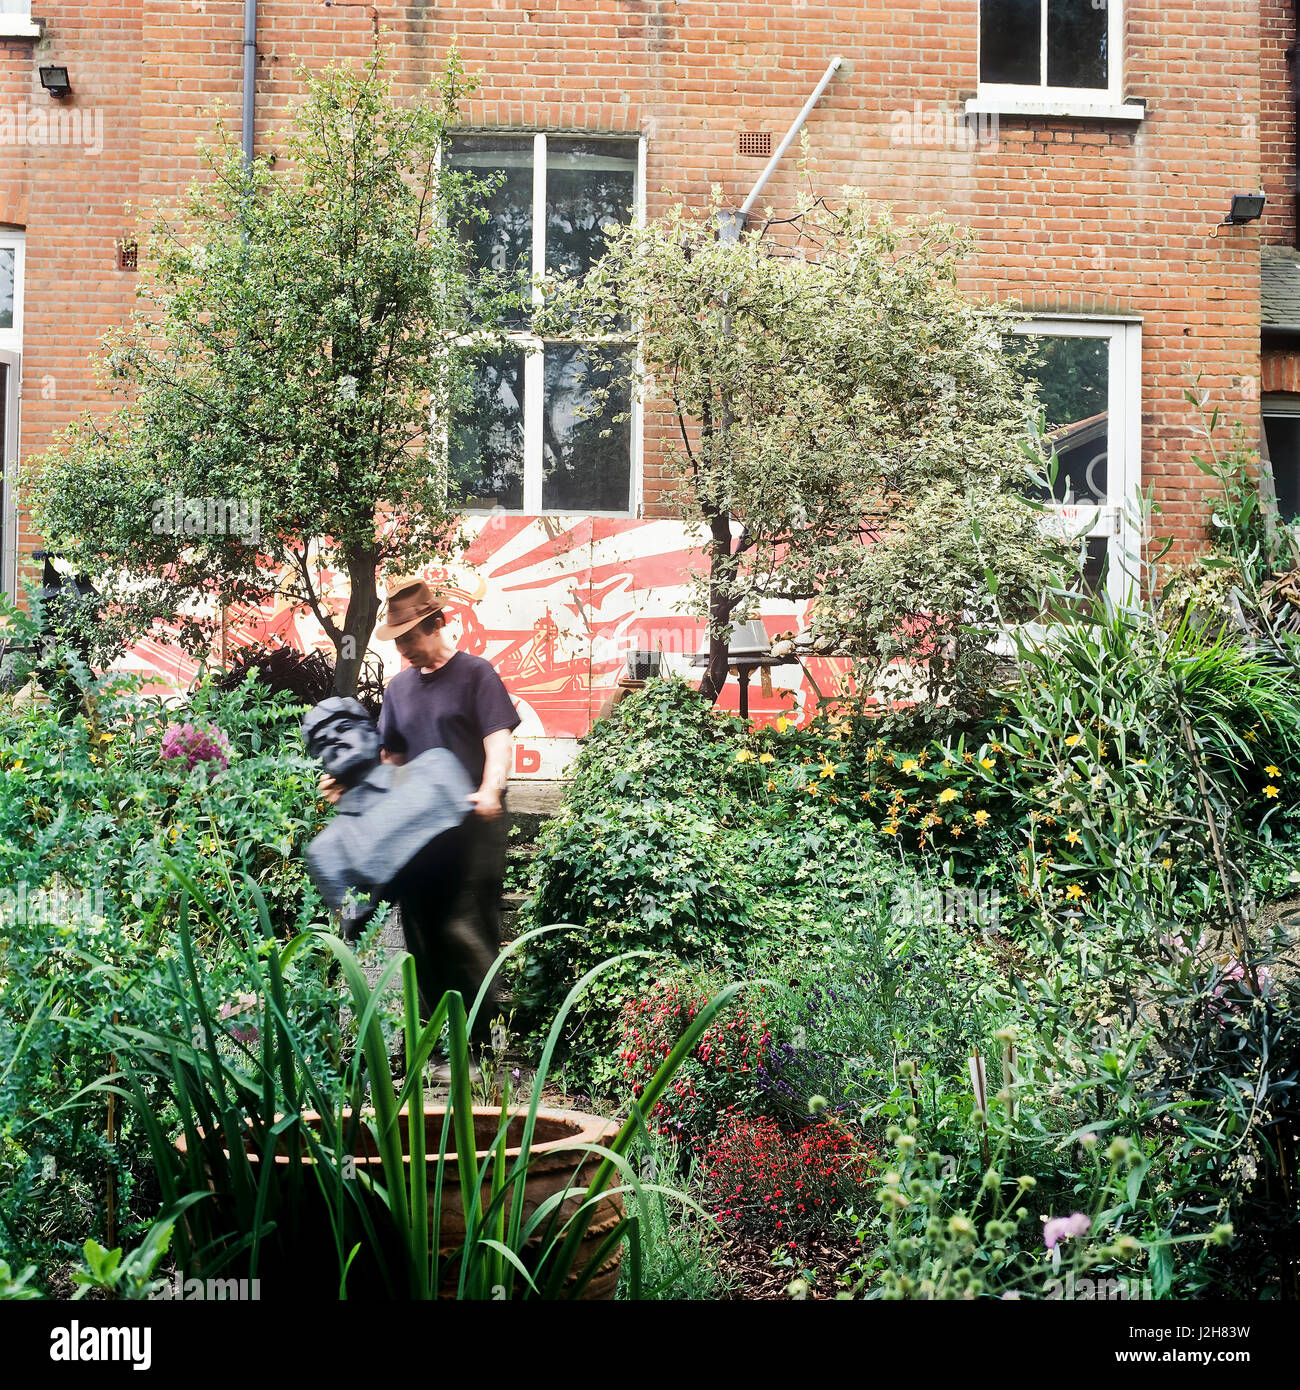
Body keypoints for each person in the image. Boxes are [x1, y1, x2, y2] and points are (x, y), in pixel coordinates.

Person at [320, 579, 520, 1045]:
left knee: (466, 931)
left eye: (411, 636)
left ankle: (479, 1044)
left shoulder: (476, 674)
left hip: (474, 824)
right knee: (421, 930)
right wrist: (355, 787)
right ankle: (441, 1043)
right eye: (400, 639)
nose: (405, 647)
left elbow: (498, 738)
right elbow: (392, 759)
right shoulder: (400, 689)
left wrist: (491, 788)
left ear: (437, 624)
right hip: (419, 831)